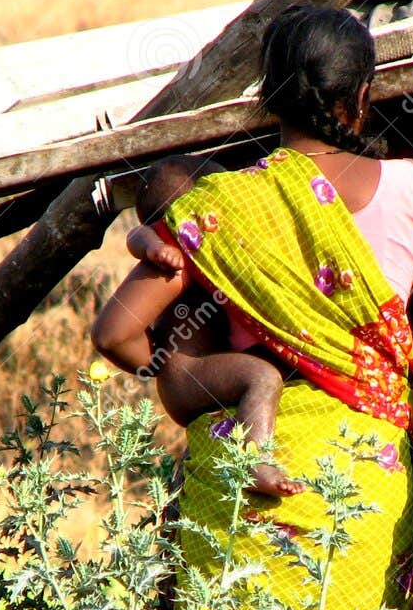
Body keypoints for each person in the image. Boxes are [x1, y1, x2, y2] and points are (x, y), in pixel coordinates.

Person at [91, 3, 413, 610]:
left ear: (266, 97)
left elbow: (116, 336)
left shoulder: (223, 207)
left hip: (238, 489)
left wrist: (189, 377)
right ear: (362, 96)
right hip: (361, 492)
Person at [125, 154, 303, 498]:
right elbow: (137, 234)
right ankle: (254, 461)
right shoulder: (173, 244)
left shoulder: (214, 255)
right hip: (188, 376)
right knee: (262, 377)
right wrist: (155, 248)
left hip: (191, 377)